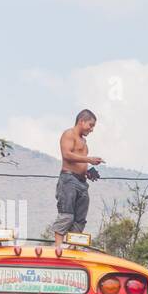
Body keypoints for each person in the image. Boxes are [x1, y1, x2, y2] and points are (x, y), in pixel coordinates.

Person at [53, 109, 103, 255]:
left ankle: (73, 247)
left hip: (82, 182)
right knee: (66, 214)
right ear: (82, 121)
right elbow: (67, 154)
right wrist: (89, 159)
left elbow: (80, 162)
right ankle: (58, 247)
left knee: (80, 218)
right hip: (68, 179)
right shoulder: (69, 134)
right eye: (90, 125)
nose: (92, 129)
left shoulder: (84, 142)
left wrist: (88, 171)